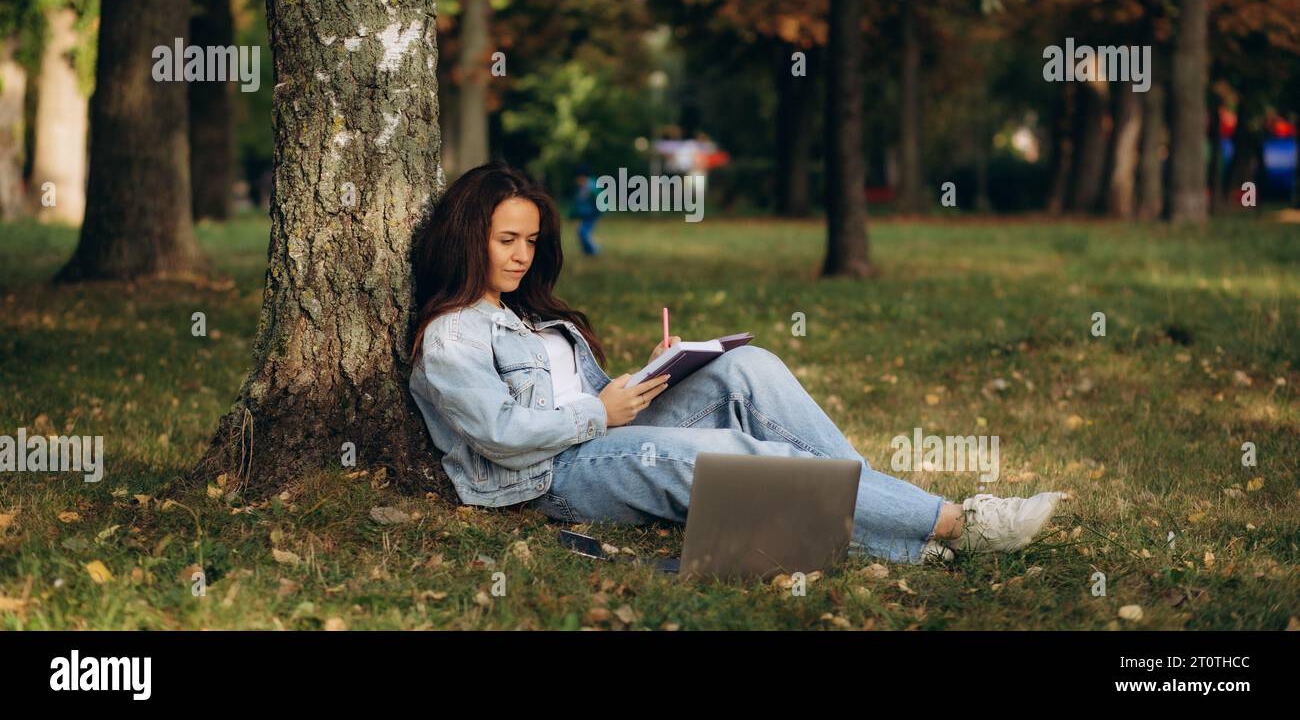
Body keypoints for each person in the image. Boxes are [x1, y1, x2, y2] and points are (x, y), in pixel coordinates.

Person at [409, 162, 1067, 565]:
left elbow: (582, 397)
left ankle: (897, 526)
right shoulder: (452, 335)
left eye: (531, 240)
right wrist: (598, 411)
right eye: (507, 240)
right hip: (545, 475)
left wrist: (648, 377)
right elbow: (500, 434)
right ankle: (956, 523)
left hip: (591, 430)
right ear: (469, 236)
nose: (524, 255)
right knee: (727, 453)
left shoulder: (528, 313)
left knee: (748, 369)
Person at [569, 164, 601, 255]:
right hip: (584, 215)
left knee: (583, 232)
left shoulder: (592, 187)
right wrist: (572, 214)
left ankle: (595, 250)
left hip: (591, 215)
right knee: (581, 232)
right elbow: (577, 203)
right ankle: (587, 251)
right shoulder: (580, 188)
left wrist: (598, 211)